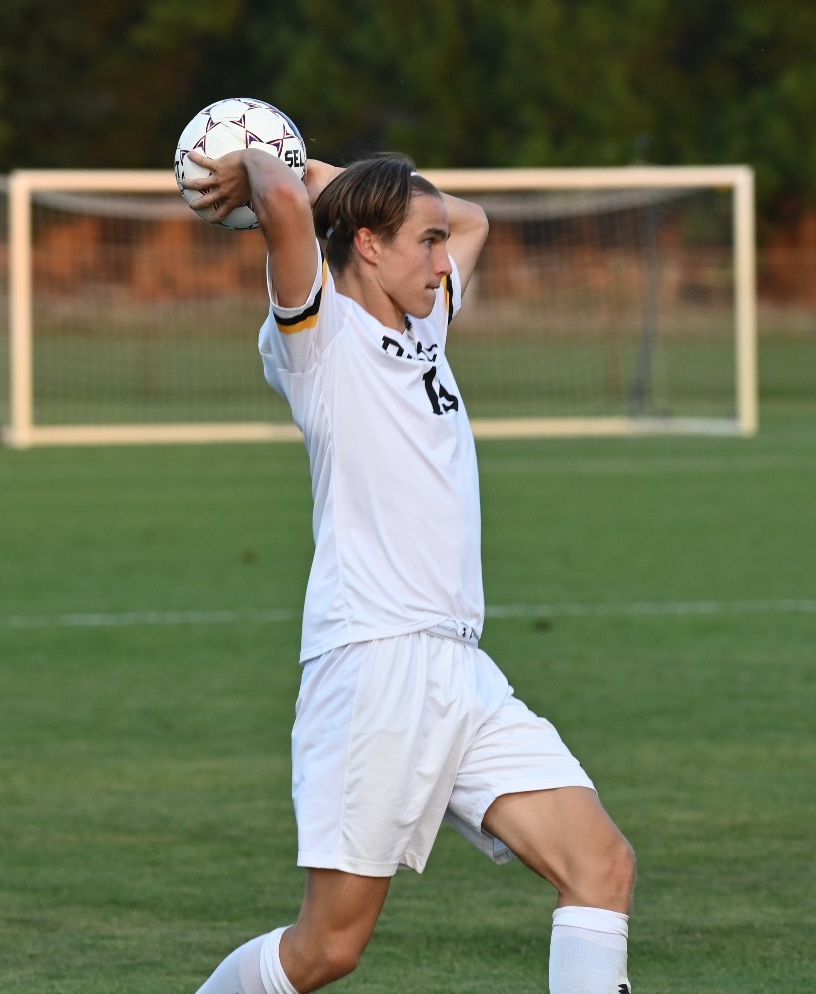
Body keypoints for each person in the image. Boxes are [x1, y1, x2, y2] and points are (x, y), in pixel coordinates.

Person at [180, 148, 636, 994]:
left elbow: (475, 220)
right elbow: (279, 202)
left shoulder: (425, 323)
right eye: (422, 243)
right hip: (373, 665)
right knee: (327, 950)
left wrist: (331, 173)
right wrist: (266, 160)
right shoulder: (318, 339)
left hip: (462, 670)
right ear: (367, 245)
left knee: (601, 864)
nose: (442, 258)